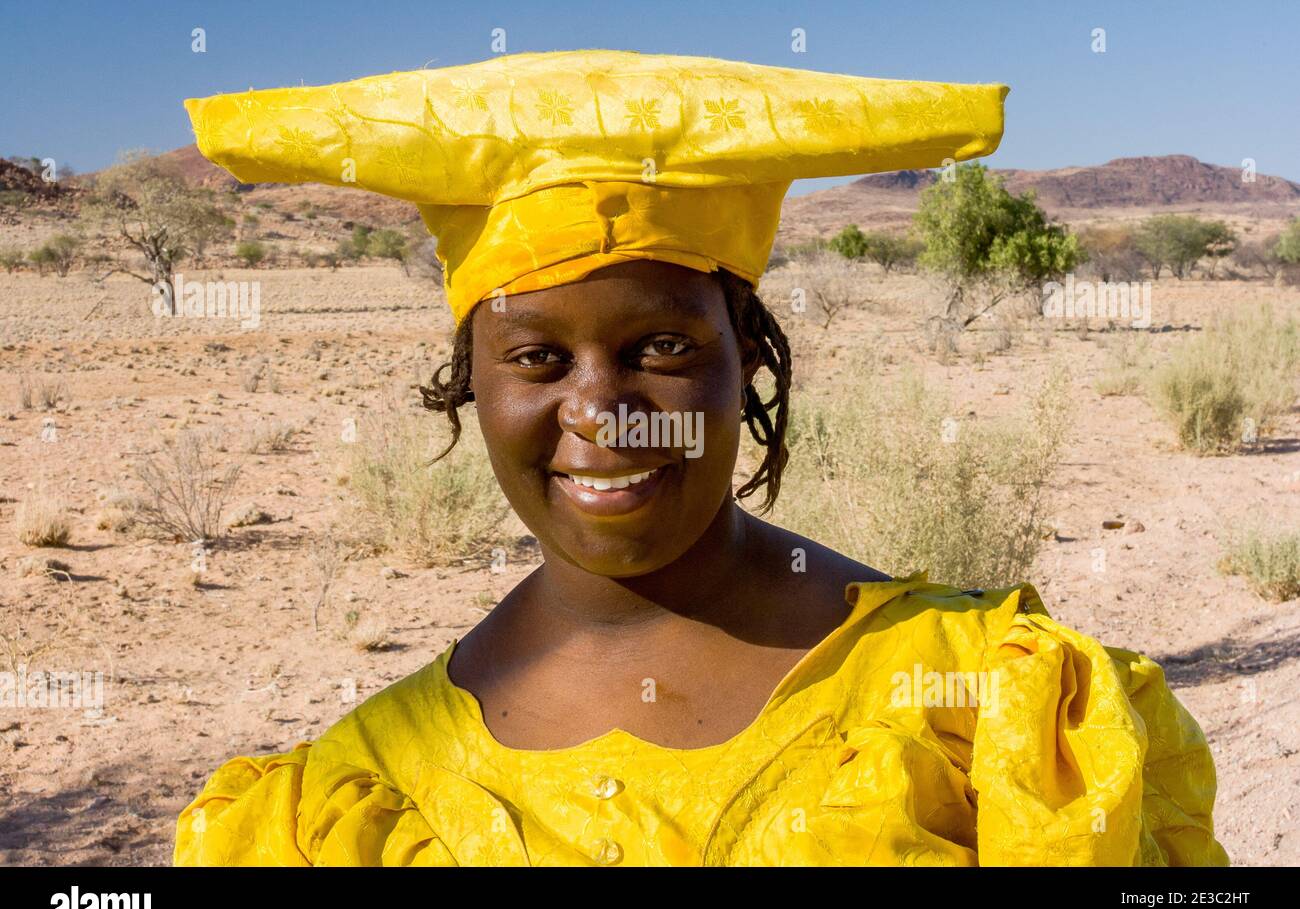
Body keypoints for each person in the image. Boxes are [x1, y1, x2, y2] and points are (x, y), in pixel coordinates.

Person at [174, 49, 1229, 866]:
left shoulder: (990, 706)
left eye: (663, 346)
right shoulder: (343, 803)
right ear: (472, 387)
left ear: (750, 365)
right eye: (537, 356)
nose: (603, 411)